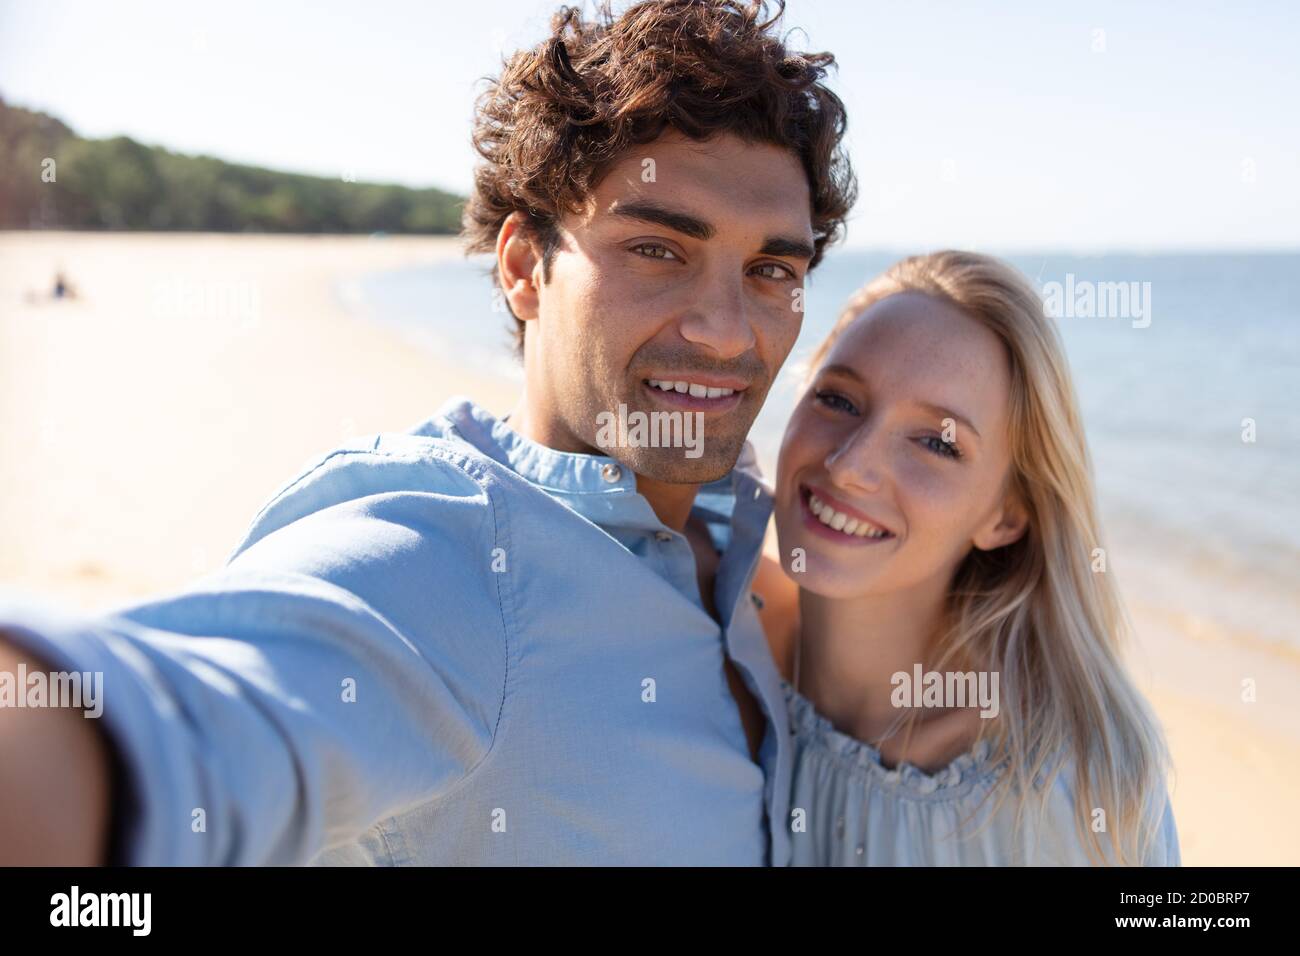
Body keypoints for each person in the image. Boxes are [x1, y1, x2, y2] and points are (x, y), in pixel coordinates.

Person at [0, 0, 855, 866]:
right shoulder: (454, 551)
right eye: (658, 250)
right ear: (525, 268)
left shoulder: (739, 538)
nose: (726, 329)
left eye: (770, 269)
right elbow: (185, 723)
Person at [754, 251, 1180, 865]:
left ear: (1005, 516)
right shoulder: (718, 630)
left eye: (935, 443)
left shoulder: (1056, 793)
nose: (850, 466)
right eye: (839, 400)